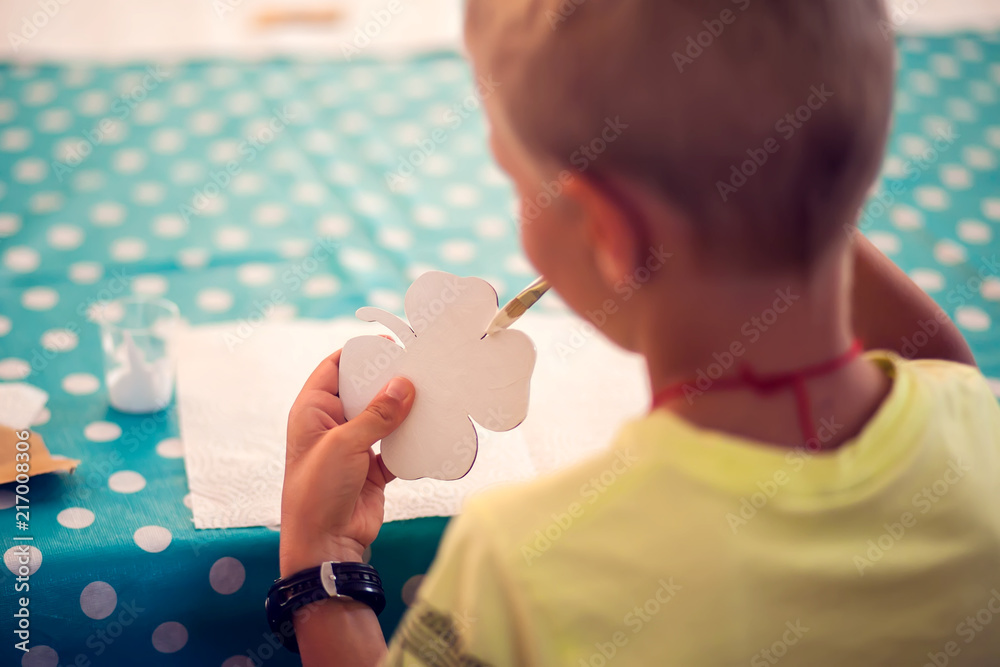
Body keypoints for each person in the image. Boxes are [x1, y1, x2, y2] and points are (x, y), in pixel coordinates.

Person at [277, 0, 1000, 664]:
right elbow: (941, 361)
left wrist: (321, 563)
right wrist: (781, 181)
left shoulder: (521, 567)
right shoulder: (977, 429)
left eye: (515, 181)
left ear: (606, 229)